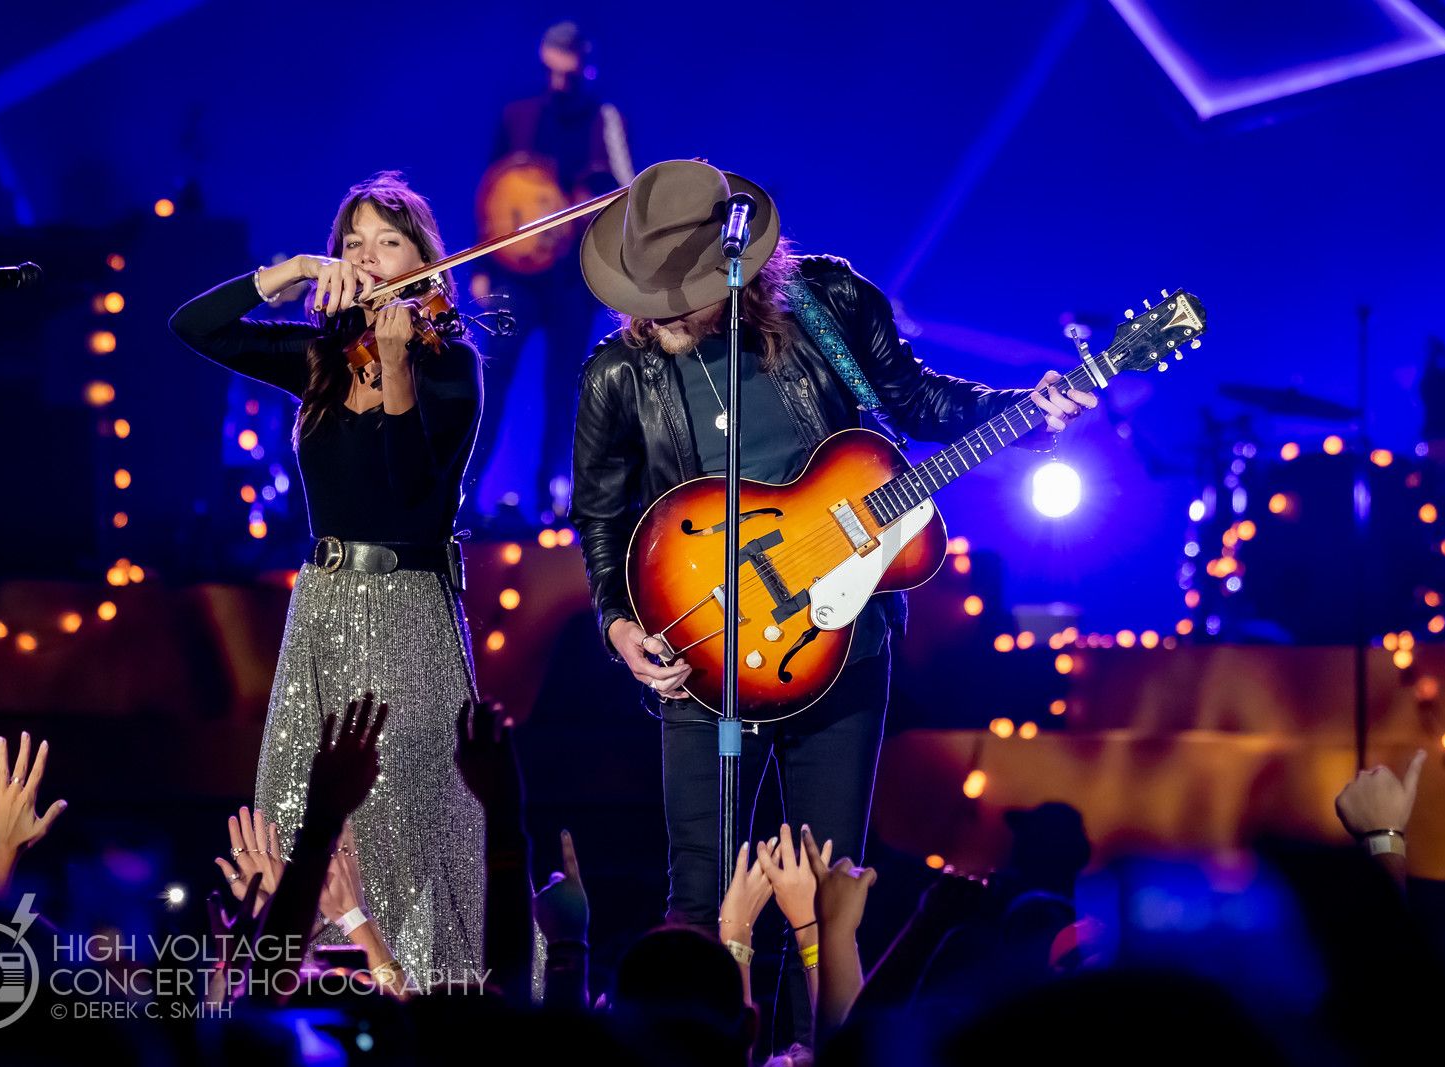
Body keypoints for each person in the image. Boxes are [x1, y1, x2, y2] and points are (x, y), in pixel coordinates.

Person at [568, 158, 1096, 1035]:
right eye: (650, 293)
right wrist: (617, 620)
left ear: (737, 269)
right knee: (702, 891)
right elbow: (599, 514)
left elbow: (919, 398)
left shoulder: (830, 304)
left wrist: (1025, 407)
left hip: (844, 641)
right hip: (702, 650)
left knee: (822, 895)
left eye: (685, 291)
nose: (663, 314)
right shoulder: (616, 374)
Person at [169, 172, 485, 987]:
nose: (371, 259)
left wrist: (396, 368)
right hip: (323, 610)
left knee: (409, 816)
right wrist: (295, 271)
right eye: (355, 243)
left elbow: (408, 486)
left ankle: (422, 1002)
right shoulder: (317, 357)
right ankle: (295, 1004)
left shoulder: (454, 366)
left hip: (411, 610)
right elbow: (193, 325)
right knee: (301, 820)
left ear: (423, 260)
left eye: (390, 242)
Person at [467, 20, 634, 525]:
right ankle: (464, 496)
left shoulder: (604, 119)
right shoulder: (518, 116)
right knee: (491, 380)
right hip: (515, 276)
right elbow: (490, 189)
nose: (560, 84)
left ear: (585, 68)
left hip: (570, 280)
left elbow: (625, 190)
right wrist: (482, 263)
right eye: (552, 72)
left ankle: (546, 500)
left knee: (562, 388)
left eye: (570, 74)